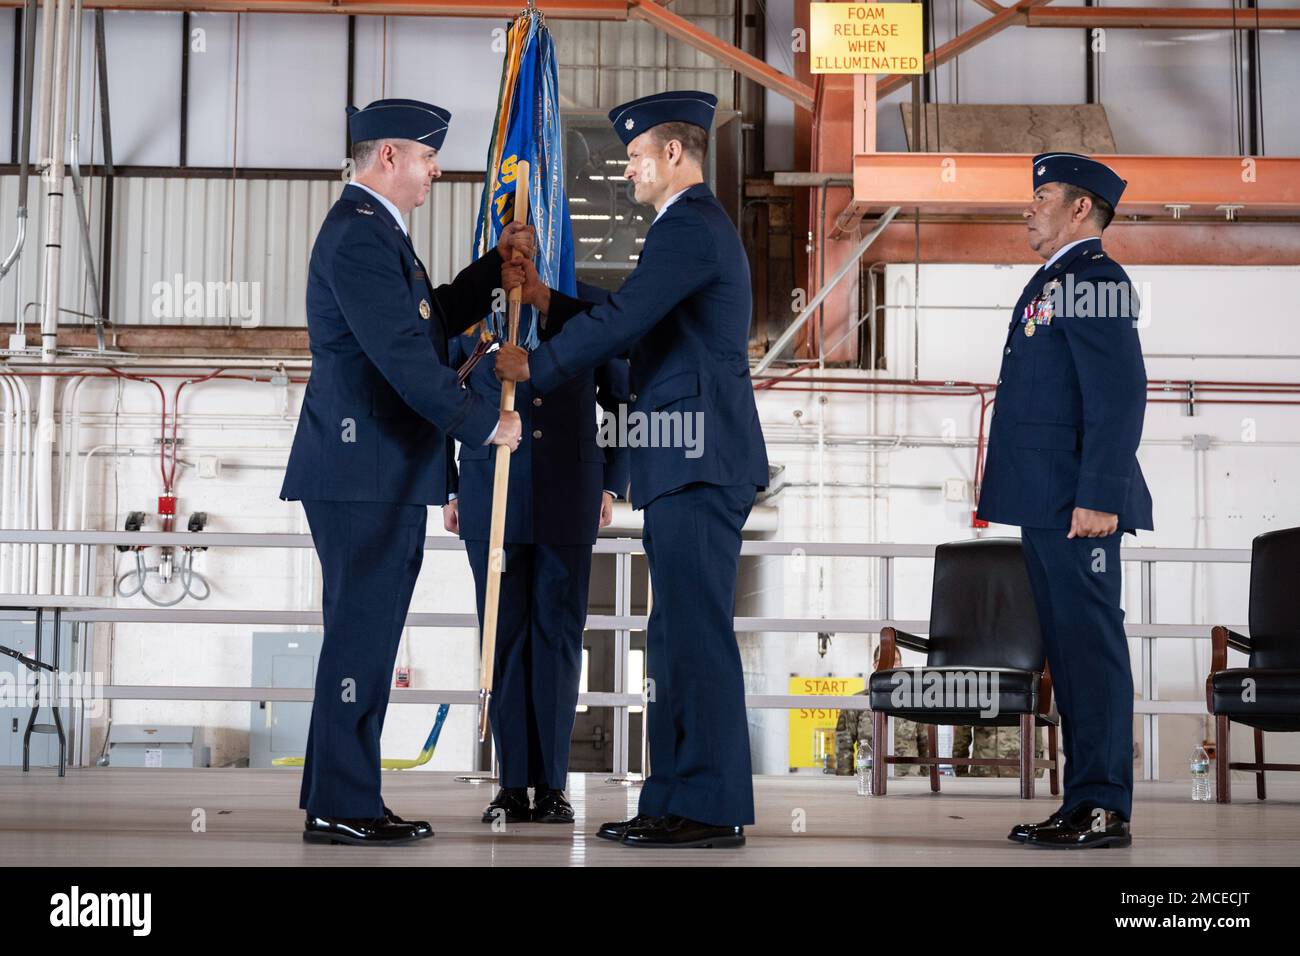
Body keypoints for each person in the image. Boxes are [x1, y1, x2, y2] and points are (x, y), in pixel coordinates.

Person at [494, 90, 769, 848]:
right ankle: (677, 799)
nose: (628, 167)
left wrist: (534, 364)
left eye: (636, 153)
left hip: (702, 458)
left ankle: (707, 808)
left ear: (673, 154)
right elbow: (630, 320)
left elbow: (625, 321)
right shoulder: (685, 230)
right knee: (676, 636)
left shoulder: (690, 227)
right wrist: (549, 302)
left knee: (695, 637)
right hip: (686, 460)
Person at [280, 97, 530, 847]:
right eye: (427, 158)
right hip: (362, 473)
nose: (435, 171)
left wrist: (492, 267)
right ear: (387, 158)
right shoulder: (360, 238)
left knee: (365, 636)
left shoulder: (377, 234)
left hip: (376, 471)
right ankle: (343, 804)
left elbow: (426, 320)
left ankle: (337, 794)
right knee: (362, 639)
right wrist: (485, 424)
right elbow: (401, 361)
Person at [977, 152, 1151, 850]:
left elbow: (1120, 392)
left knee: (1091, 653)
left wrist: (1101, 493)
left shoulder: (1096, 278)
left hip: (1081, 504)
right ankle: (1084, 802)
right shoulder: (1056, 280)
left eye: (1041, 195)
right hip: (1048, 501)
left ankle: (1103, 805)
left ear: (1081, 208)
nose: (1028, 206)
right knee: (1070, 655)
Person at [445, 284, 629, 825]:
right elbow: (436, 391)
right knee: (503, 640)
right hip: (490, 488)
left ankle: (551, 784)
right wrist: (450, 487)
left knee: (558, 639)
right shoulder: (470, 307)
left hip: (568, 490)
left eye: (531, 233)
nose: (521, 245)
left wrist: (612, 481)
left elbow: (619, 395)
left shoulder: (585, 306)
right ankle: (511, 784)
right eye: (511, 234)